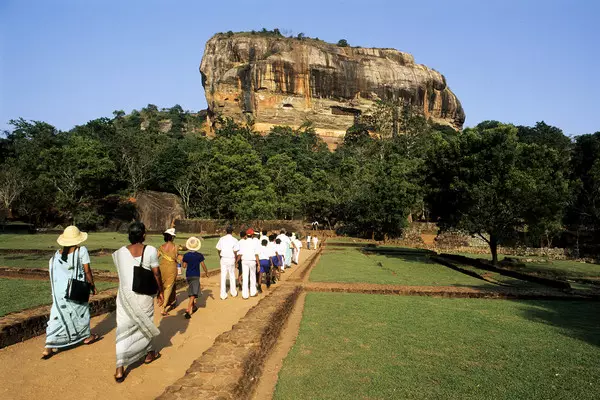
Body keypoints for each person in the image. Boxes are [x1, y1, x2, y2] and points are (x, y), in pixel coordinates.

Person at [113, 221, 163, 383]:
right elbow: (156, 273)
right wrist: (160, 291)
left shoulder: (120, 252)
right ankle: (148, 354)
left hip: (124, 297)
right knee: (144, 324)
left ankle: (119, 368)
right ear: (143, 235)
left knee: (123, 329)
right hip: (143, 297)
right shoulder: (150, 251)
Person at [42, 225, 99, 360]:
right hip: (76, 289)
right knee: (81, 312)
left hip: (60, 292)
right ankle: (86, 336)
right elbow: (87, 271)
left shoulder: (56, 256)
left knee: (57, 316)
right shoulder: (81, 251)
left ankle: (48, 347)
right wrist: (92, 286)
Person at [182, 236, 209, 319]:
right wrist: (206, 272)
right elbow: (203, 265)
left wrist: (182, 261)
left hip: (188, 275)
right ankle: (187, 310)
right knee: (193, 294)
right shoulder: (199, 255)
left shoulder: (186, 255)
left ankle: (193, 307)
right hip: (196, 275)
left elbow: (184, 266)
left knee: (191, 291)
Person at [157, 228, 178, 316]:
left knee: (163, 284)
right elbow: (185, 248)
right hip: (171, 268)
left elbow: (156, 257)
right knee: (169, 286)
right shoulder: (176, 246)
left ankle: (162, 299)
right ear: (172, 237)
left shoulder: (161, 247)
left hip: (162, 267)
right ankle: (164, 307)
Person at [216, 226, 239, 300]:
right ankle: (233, 292)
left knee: (223, 276)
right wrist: (235, 260)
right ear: (232, 231)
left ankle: (223, 294)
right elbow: (235, 251)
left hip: (223, 258)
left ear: (226, 231)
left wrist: (220, 256)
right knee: (232, 275)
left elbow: (218, 249)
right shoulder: (234, 240)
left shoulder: (222, 239)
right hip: (231, 258)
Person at [237, 230, 259, 299]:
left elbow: (240, 253)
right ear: (252, 235)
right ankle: (252, 292)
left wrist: (236, 262)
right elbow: (256, 254)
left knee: (245, 277)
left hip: (244, 260)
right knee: (253, 276)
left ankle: (245, 295)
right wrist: (258, 264)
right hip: (252, 260)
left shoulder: (243, 242)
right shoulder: (255, 242)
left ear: (246, 235)